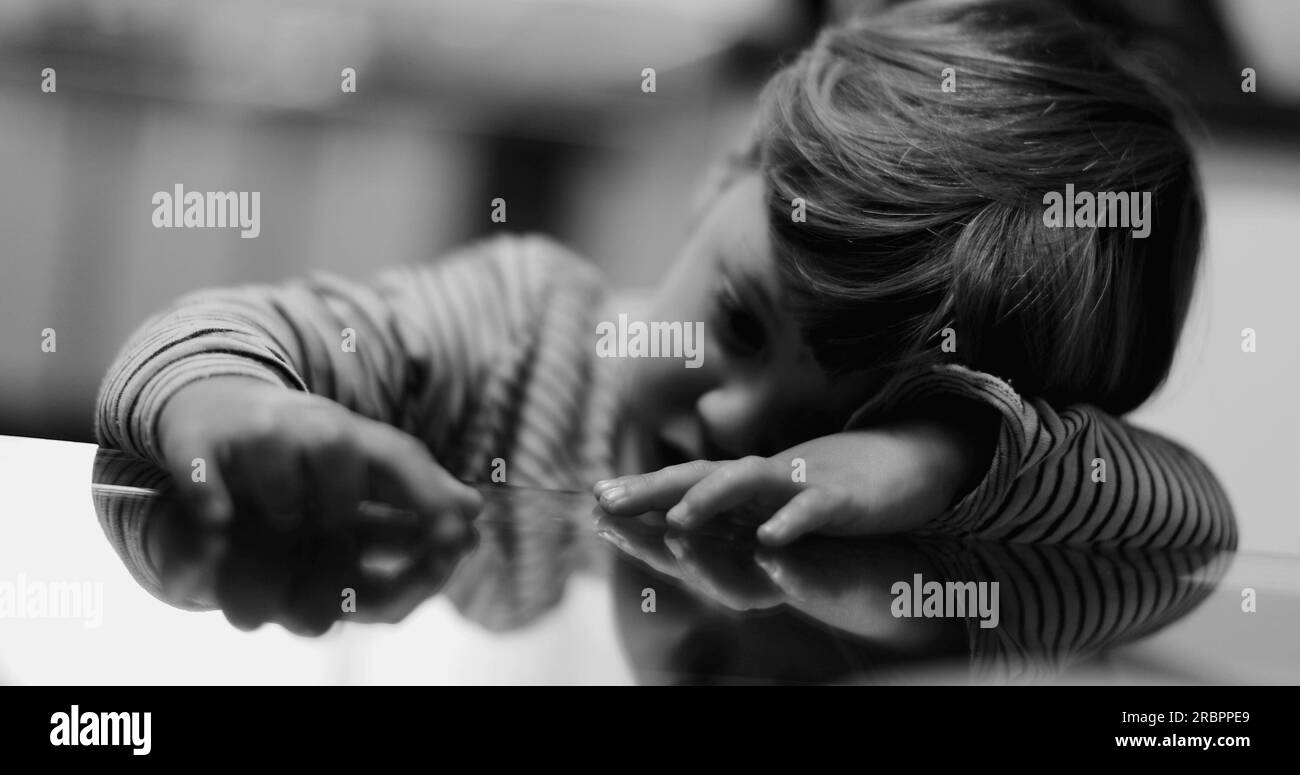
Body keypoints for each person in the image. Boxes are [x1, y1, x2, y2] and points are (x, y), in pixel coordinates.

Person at [95, 0, 1234, 552]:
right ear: (727, 167)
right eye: (740, 318)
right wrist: (235, 409)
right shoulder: (520, 331)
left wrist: (935, 455)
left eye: (837, 413)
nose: (742, 416)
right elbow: (197, 339)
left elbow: (1191, 515)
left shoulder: (951, 503)